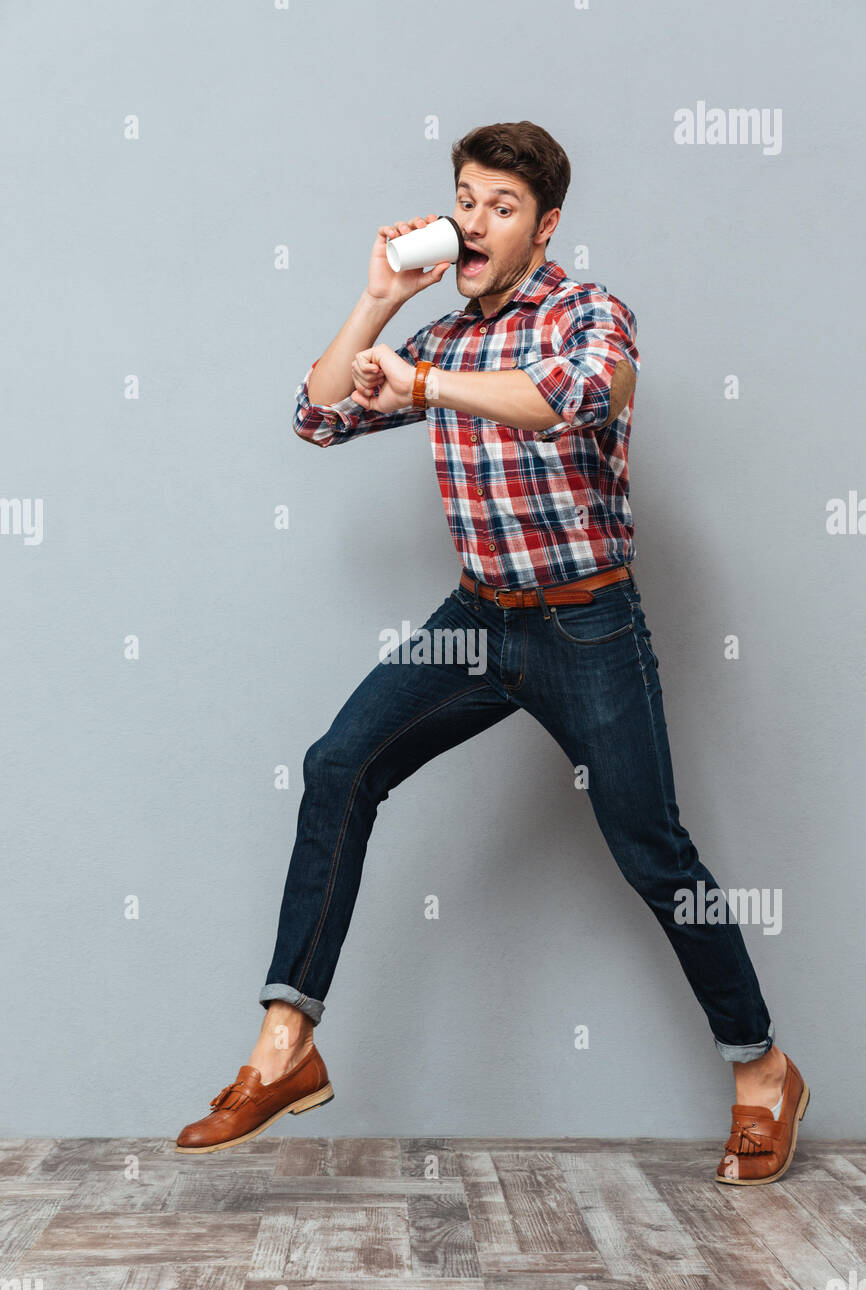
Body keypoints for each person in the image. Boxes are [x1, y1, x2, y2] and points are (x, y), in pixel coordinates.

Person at [176, 121, 808, 1184]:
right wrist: (380, 301)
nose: (471, 220)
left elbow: (568, 399)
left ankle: (761, 1068)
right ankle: (285, 1040)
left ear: (543, 225)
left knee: (654, 854)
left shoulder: (587, 314)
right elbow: (316, 415)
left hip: (584, 623)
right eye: (463, 198)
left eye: (499, 205)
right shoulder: (435, 332)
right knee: (339, 763)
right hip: (476, 617)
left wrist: (423, 387)